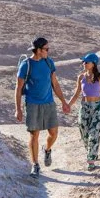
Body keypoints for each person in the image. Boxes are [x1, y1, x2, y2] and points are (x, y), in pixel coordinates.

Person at [15, 37, 70, 177]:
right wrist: (18, 109)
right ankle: (35, 165)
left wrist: (63, 101)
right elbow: (18, 87)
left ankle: (47, 149)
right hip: (32, 104)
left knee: (54, 133)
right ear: (38, 50)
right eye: (46, 49)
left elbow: (55, 84)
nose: (48, 51)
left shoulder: (49, 62)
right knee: (34, 135)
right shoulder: (26, 65)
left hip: (49, 103)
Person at [67, 52, 100, 171]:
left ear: (93, 64)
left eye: (86, 62)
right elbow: (76, 93)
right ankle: (92, 151)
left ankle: (91, 160)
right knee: (84, 131)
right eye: (83, 61)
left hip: (97, 107)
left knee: (94, 133)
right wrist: (68, 105)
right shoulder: (81, 77)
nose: (84, 63)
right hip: (84, 106)